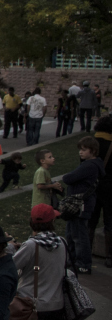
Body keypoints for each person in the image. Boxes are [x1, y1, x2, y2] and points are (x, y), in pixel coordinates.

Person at [55, 136, 104, 273]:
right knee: (71, 233)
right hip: (80, 205)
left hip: (80, 205)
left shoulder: (89, 165)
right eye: (80, 150)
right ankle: (72, 259)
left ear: (92, 150)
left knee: (78, 236)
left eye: (84, 150)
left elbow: (68, 178)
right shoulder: (93, 164)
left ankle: (83, 263)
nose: (80, 152)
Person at [91, 115, 112, 268]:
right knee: (109, 222)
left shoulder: (89, 144)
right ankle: (109, 256)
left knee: (91, 220)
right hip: (110, 187)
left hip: (92, 186)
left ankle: (86, 252)